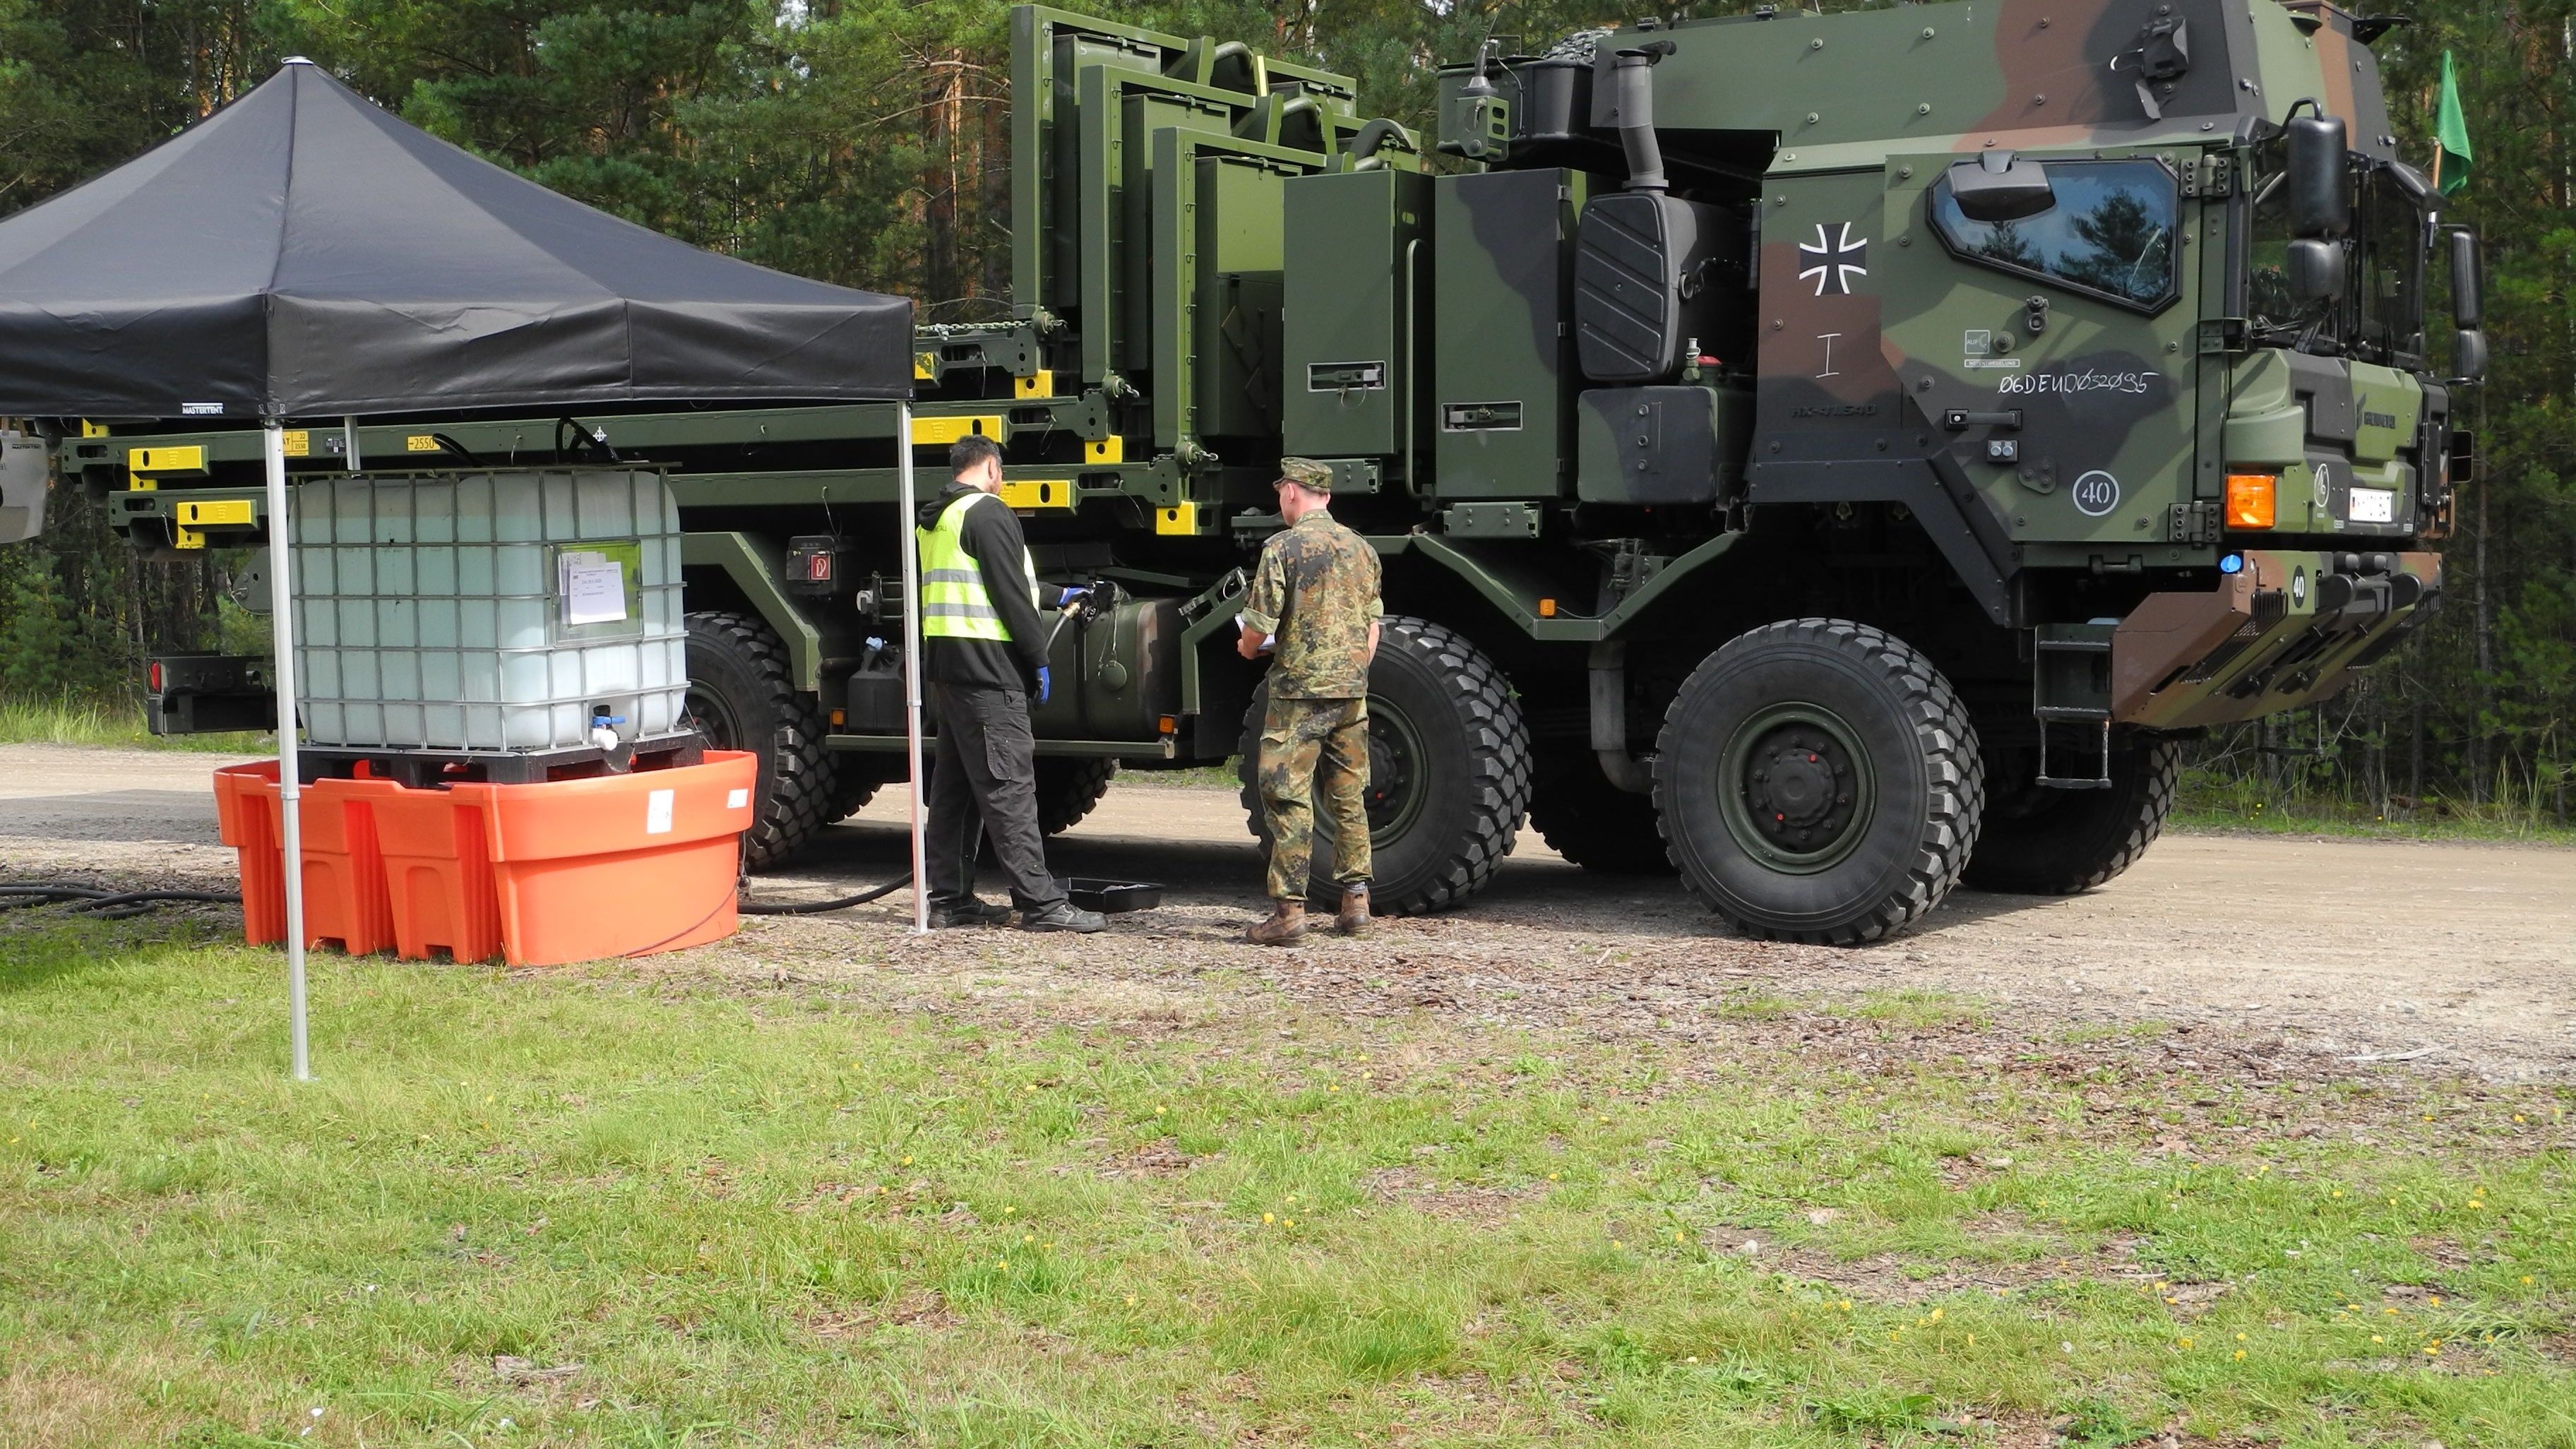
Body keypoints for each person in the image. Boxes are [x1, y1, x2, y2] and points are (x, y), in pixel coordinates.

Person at [914, 433, 1104, 932]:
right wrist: (1038, 658)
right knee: (1009, 787)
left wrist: (1059, 592)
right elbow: (1008, 597)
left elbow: (993, 580)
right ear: (993, 468)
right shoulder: (990, 513)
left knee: (955, 792)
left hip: (951, 669)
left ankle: (950, 900)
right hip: (989, 670)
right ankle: (1041, 903)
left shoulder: (937, 518)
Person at [1237, 458, 1383, 946]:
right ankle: (1356, 903)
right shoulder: (1362, 549)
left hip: (1298, 695)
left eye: (1282, 492)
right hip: (1350, 692)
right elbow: (1373, 625)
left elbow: (1259, 625)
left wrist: (1247, 648)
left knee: (1287, 794)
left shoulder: (1282, 547)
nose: (1281, 500)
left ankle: (1289, 913)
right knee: (1348, 795)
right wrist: (1354, 671)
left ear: (1293, 492)